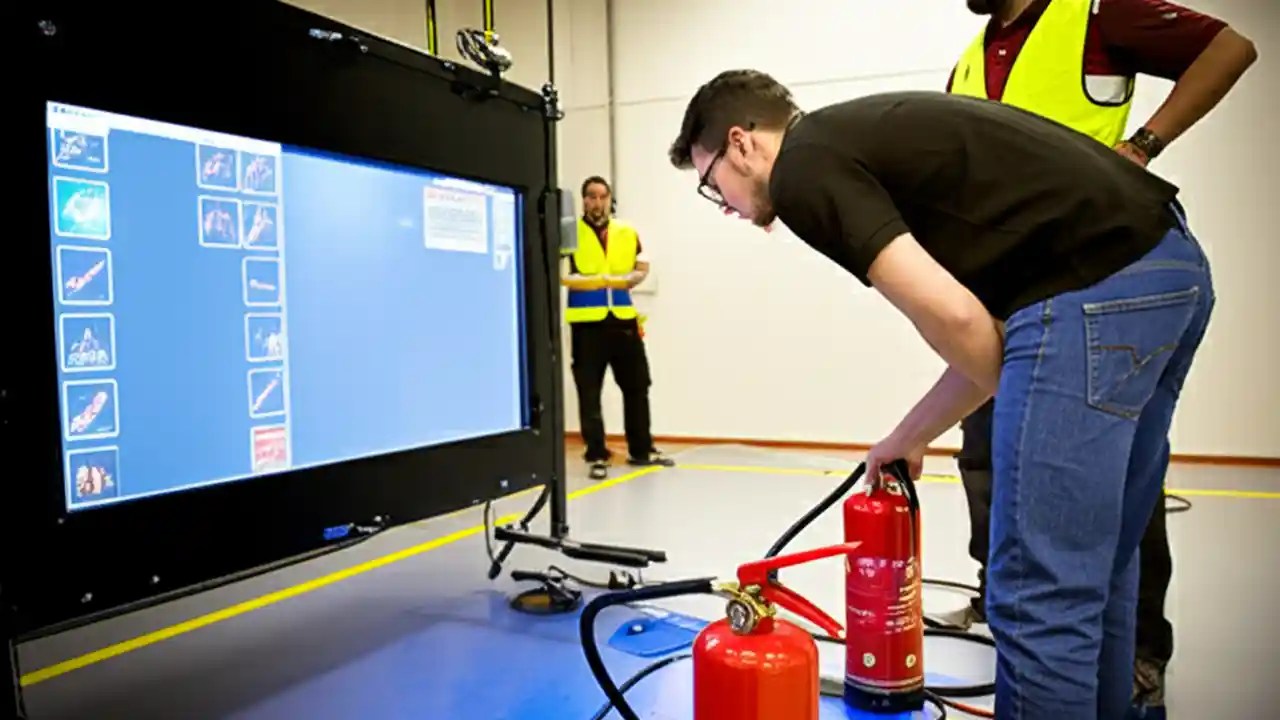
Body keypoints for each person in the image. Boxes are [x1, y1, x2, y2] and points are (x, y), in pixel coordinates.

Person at [669, 71, 1219, 719]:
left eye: (712, 186)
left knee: (1037, 591)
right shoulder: (860, 138)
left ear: (742, 144)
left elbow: (964, 329)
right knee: (1103, 564)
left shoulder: (804, 166)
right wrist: (909, 437)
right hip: (1169, 267)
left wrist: (980, 425)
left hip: (1093, 289)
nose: (725, 205)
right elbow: (987, 338)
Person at [942, 2, 1256, 715]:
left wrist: (1142, 145)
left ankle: (1140, 651)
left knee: (1109, 491)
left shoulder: (1092, 13)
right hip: (1007, 296)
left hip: (1093, 280)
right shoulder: (968, 59)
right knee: (988, 465)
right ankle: (1026, 633)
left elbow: (1231, 48)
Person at [562, 176, 674, 480]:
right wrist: (599, 281)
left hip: (623, 320)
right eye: (591, 197)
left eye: (602, 196)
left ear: (610, 199)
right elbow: (562, 274)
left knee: (638, 386)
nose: (597, 202)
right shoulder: (570, 234)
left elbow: (642, 265)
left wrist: (632, 279)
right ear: (584, 201)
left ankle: (641, 449)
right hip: (587, 325)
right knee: (589, 390)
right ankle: (596, 454)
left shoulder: (627, 232)